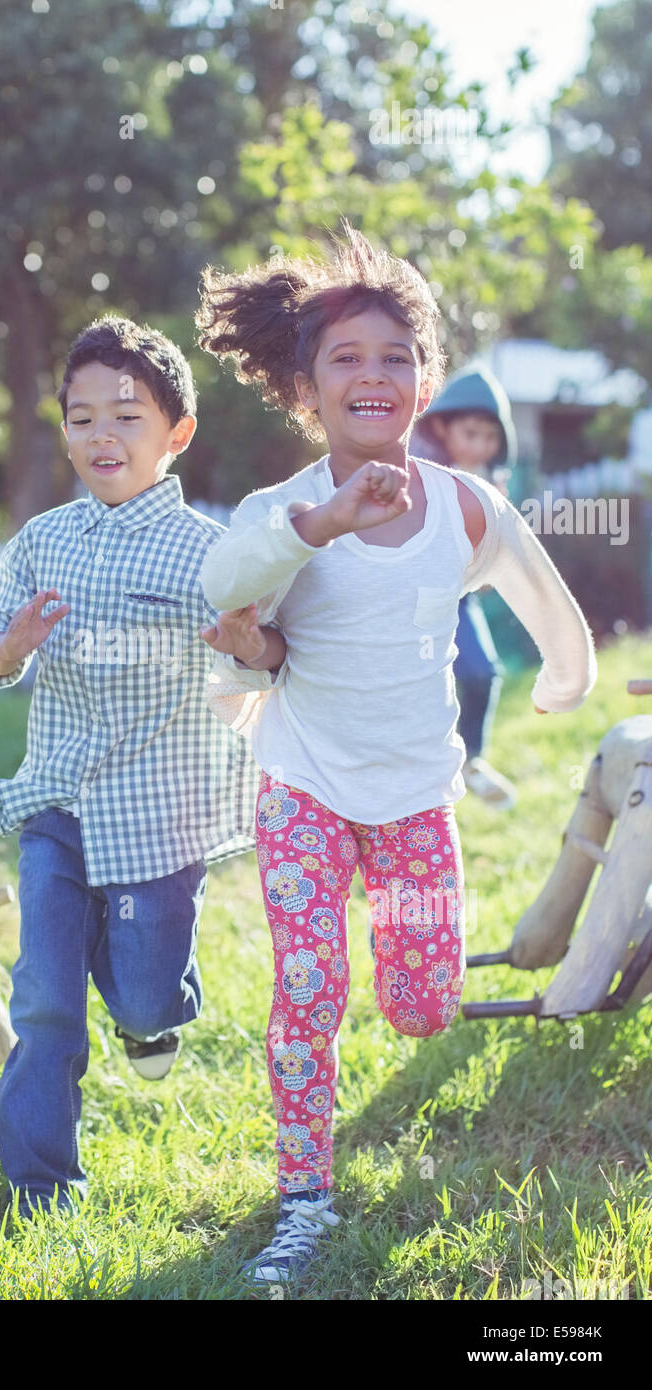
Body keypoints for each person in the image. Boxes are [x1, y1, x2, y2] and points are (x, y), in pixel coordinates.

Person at [194, 225, 596, 1284]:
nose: (372, 373)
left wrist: (564, 680)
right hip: (304, 792)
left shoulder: (463, 505)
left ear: (420, 383)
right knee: (309, 989)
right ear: (303, 388)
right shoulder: (282, 510)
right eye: (345, 358)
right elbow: (230, 579)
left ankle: (406, 980)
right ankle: (303, 1198)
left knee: (419, 1005)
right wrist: (313, 532)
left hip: (416, 798)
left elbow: (545, 602)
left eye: (394, 356)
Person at [0, 315, 260, 1216]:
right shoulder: (41, 542)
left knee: (137, 998)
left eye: (127, 417)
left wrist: (245, 645)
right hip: (58, 797)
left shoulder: (209, 552)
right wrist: (7, 648)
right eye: (82, 416)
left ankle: (158, 1005)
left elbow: (253, 658)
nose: (102, 435)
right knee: (46, 998)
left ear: (177, 436)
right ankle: (39, 1183)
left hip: (160, 812)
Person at [413, 366, 519, 808]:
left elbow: (499, 546)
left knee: (482, 672)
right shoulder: (421, 473)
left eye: (489, 438)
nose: (480, 446)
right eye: (470, 434)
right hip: (413, 599)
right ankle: (422, 764)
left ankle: (472, 759)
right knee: (417, 683)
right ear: (441, 426)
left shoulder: (490, 487)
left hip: (458, 599)